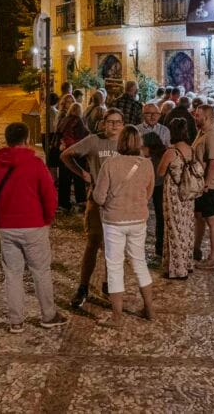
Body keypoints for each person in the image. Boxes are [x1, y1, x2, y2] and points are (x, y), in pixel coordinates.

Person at [0, 122, 68, 332]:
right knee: (41, 272)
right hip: (34, 225)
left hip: (7, 228)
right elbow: (49, 196)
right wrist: (46, 220)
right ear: (27, 139)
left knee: (13, 274)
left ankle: (16, 321)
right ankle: (48, 315)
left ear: (7, 140)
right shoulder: (36, 164)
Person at [93, 126, 156, 327]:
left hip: (114, 221)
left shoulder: (110, 164)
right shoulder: (147, 165)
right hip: (138, 219)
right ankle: (149, 309)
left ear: (120, 142)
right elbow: (149, 192)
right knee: (139, 262)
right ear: (139, 142)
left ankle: (117, 317)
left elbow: (99, 197)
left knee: (114, 266)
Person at [61, 107, 123, 308]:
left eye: (117, 122)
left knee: (113, 247)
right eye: (110, 121)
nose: (113, 125)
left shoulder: (126, 142)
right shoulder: (94, 141)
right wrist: (82, 174)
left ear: (122, 124)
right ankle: (83, 286)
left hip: (118, 202)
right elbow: (66, 155)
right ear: (103, 123)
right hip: (97, 200)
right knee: (93, 243)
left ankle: (108, 284)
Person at [157, 117, 195, 279]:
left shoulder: (171, 152)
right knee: (186, 227)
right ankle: (186, 263)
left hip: (173, 193)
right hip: (188, 193)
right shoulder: (190, 149)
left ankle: (178, 270)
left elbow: (160, 171)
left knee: (173, 228)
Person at [192, 104, 214, 269]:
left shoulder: (213, 135)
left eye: (198, 115)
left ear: (207, 117)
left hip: (208, 185)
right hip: (199, 184)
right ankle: (196, 249)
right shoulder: (202, 132)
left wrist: (205, 183)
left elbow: (213, 162)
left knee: (212, 219)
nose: (195, 117)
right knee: (199, 217)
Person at [136, 103, 170, 256]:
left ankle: (159, 247)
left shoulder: (164, 130)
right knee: (138, 213)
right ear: (143, 114)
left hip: (158, 179)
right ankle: (136, 246)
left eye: (155, 114)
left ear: (159, 115)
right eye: (149, 113)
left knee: (160, 213)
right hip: (140, 180)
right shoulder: (137, 130)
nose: (152, 116)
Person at [56, 102, 89, 212]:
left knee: (64, 179)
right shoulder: (78, 121)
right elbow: (83, 136)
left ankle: (63, 203)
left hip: (64, 152)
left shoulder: (63, 120)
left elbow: (58, 134)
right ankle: (81, 201)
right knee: (78, 176)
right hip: (76, 153)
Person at [44, 92, 62, 179]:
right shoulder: (54, 112)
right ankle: (54, 177)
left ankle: (51, 176)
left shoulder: (44, 110)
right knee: (53, 158)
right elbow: (56, 125)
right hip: (52, 135)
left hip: (44, 134)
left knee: (49, 157)